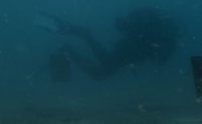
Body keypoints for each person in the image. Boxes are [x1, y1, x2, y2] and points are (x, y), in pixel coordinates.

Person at [41, 7, 182, 82]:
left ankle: (86, 36)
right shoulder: (166, 38)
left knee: (104, 61)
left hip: (127, 47)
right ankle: (70, 51)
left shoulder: (159, 32)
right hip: (129, 50)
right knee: (99, 75)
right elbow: (161, 61)